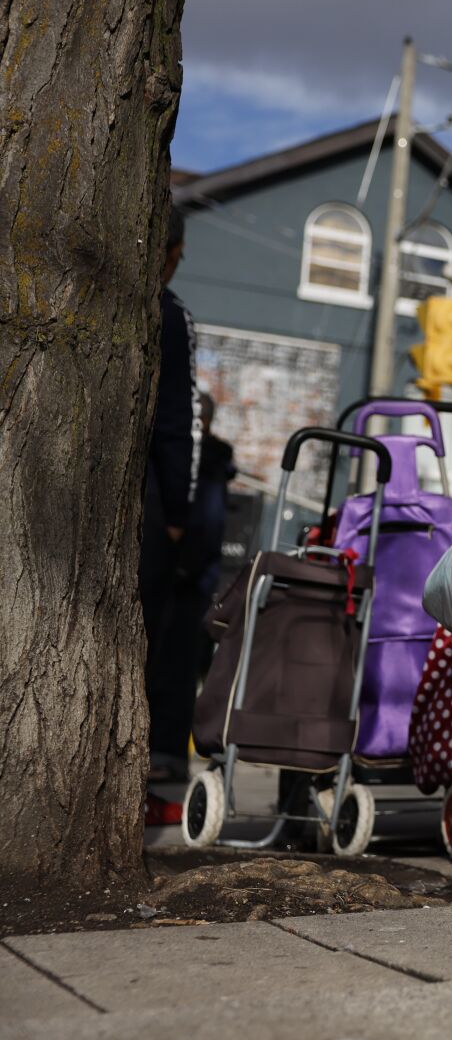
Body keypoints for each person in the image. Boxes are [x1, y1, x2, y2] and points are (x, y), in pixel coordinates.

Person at [142, 205, 201, 824]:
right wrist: (180, 514)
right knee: (144, 642)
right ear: (172, 251)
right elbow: (179, 423)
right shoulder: (169, 314)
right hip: (151, 502)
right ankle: (136, 781)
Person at [146, 392, 234, 784]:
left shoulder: (206, 460)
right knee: (167, 664)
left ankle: (166, 751)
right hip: (183, 573)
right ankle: (160, 749)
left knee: (175, 665)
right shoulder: (196, 457)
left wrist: (187, 564)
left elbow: (207, 522)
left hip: (187, 577)